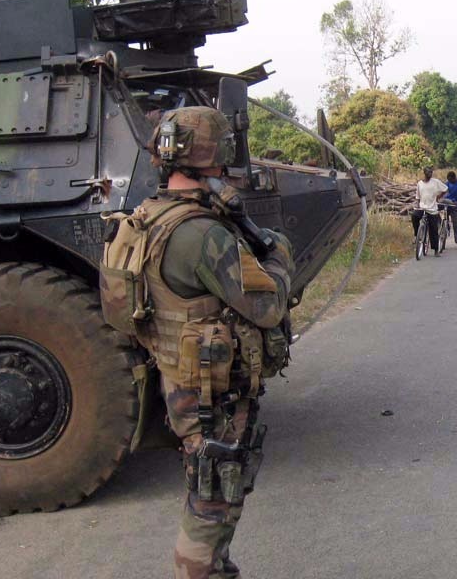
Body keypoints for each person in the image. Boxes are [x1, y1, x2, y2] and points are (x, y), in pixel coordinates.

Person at [101, 106, 295, 579]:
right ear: (215, 155)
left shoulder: (146, 217)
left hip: (178, 377)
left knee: (213, 488)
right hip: (212, 392)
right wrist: (279, 257)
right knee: (212, 501)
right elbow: (267, 306)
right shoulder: (202, 234)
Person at [411, 166, 447, 256]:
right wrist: (417, 204)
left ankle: (435, 250)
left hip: (432, 209)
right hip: (422, 207)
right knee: (414, 216)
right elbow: (418, 197)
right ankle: (416, 235)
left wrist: (439, 196)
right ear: (424, 173)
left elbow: (445, 189)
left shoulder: (435, 182)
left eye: (431, 172)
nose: (430, 174)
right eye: (428, 172)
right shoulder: (420, 183)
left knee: (433, 229)